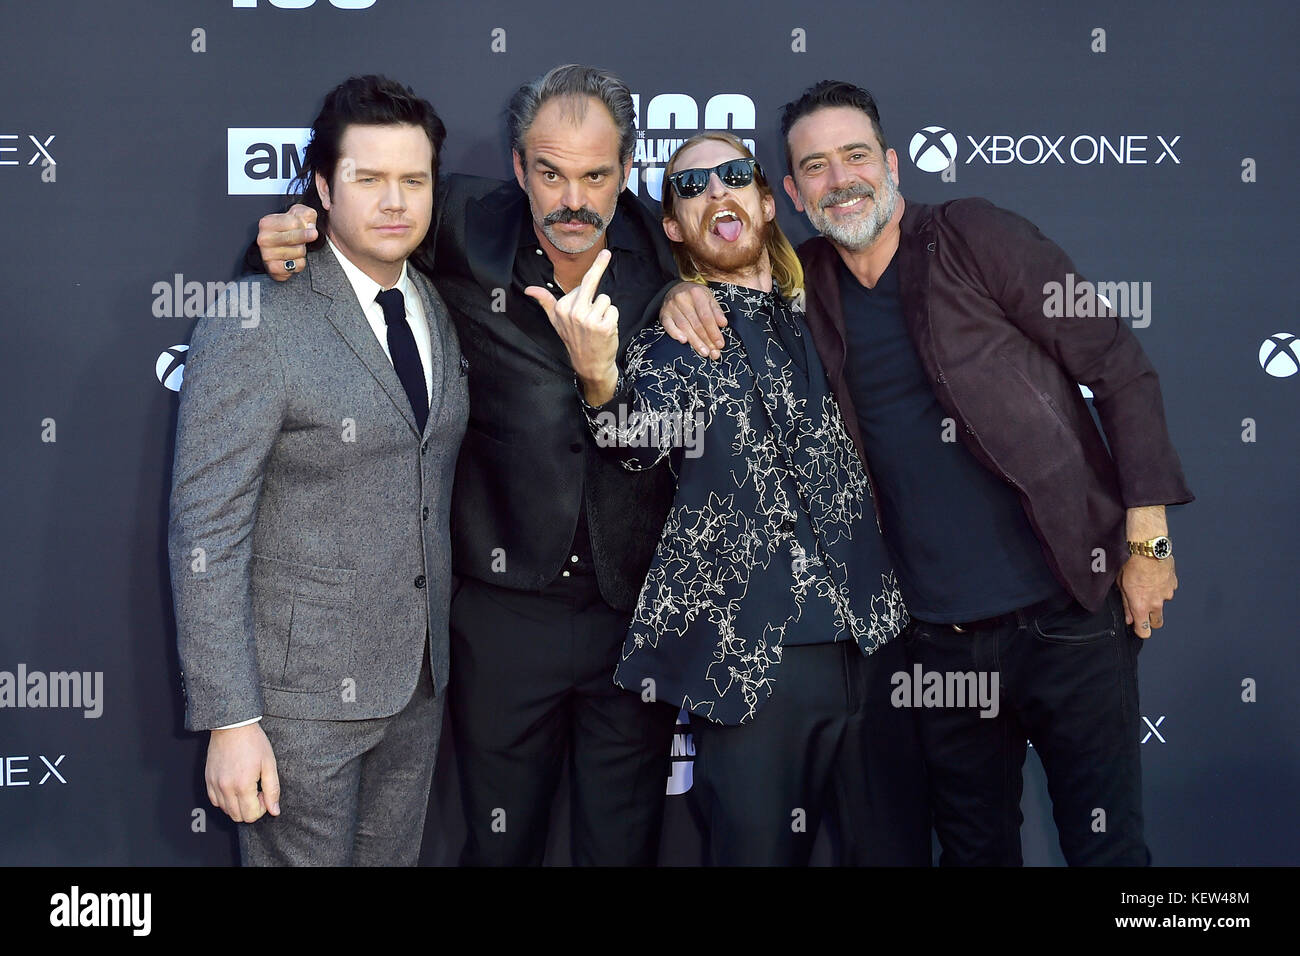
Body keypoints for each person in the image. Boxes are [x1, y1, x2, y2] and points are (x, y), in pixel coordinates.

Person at [663, 81, 1194, 866]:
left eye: (854, 156)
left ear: (893, 164)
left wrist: (1147, 540)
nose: (840, 178)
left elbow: (1118, 367)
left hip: (1070, 616)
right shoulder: (804, 290)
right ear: (796, 196)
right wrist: (679, 293)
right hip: (937, 644)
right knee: (975, 853)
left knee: (1108, 850)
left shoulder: (974, 235)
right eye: (815, 166)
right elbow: (720, 272)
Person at [251, 65, 702, 866]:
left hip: (632, 612)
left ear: (627, 170)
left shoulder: (668, 262)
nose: (574, 200)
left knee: (624, 844)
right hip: (501, 609)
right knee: (499, 844)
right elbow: (346, 232)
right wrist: (282, 236)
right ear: (519, 167)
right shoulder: (458, 220)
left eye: (596, 175)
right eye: (551, 173)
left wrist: (681, 298)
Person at [538, 131, 931, 866]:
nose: (716, 191)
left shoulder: (831, 312)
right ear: (675, 228)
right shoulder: (679, 334)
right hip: (756, 664)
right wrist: (598, 377)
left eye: (733, 176)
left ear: (764, 200)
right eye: (692, 187)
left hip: (878, 643)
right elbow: (636, 438)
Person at [169, 75, 467, 865]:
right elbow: (208, 530)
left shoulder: (436, 302)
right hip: (294, 708)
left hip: (417, 685)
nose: (394, 200)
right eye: (368, 179)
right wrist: (232, 721)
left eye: (413, 180)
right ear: (323, 188)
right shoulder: (256, 320)